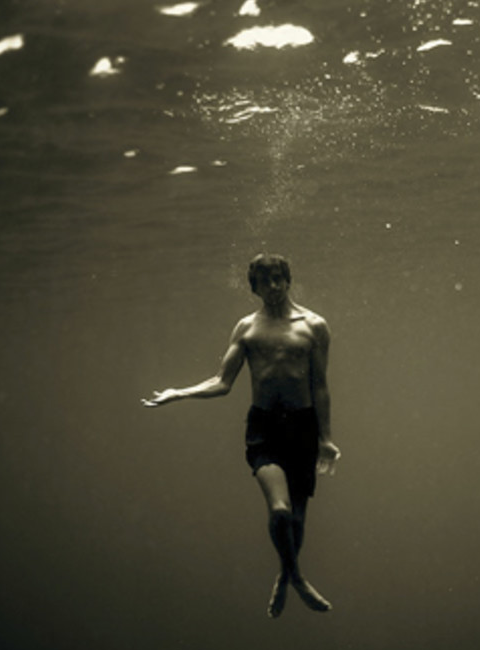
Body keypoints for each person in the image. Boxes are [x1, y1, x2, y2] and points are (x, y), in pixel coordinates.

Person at [143, 253, 341, 617]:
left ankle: (284, 574)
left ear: (288, 279)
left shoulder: (315, 326)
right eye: (264, 281)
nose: (273, 287)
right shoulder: (247, 329)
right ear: (254, 287)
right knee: (280, 511)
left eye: (278, 278)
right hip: (264, 430)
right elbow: (222, 382)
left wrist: (326, 440)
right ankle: (295, 577)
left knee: (296, 519)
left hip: (303, 427)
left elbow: (320, 385)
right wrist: (179, 393)